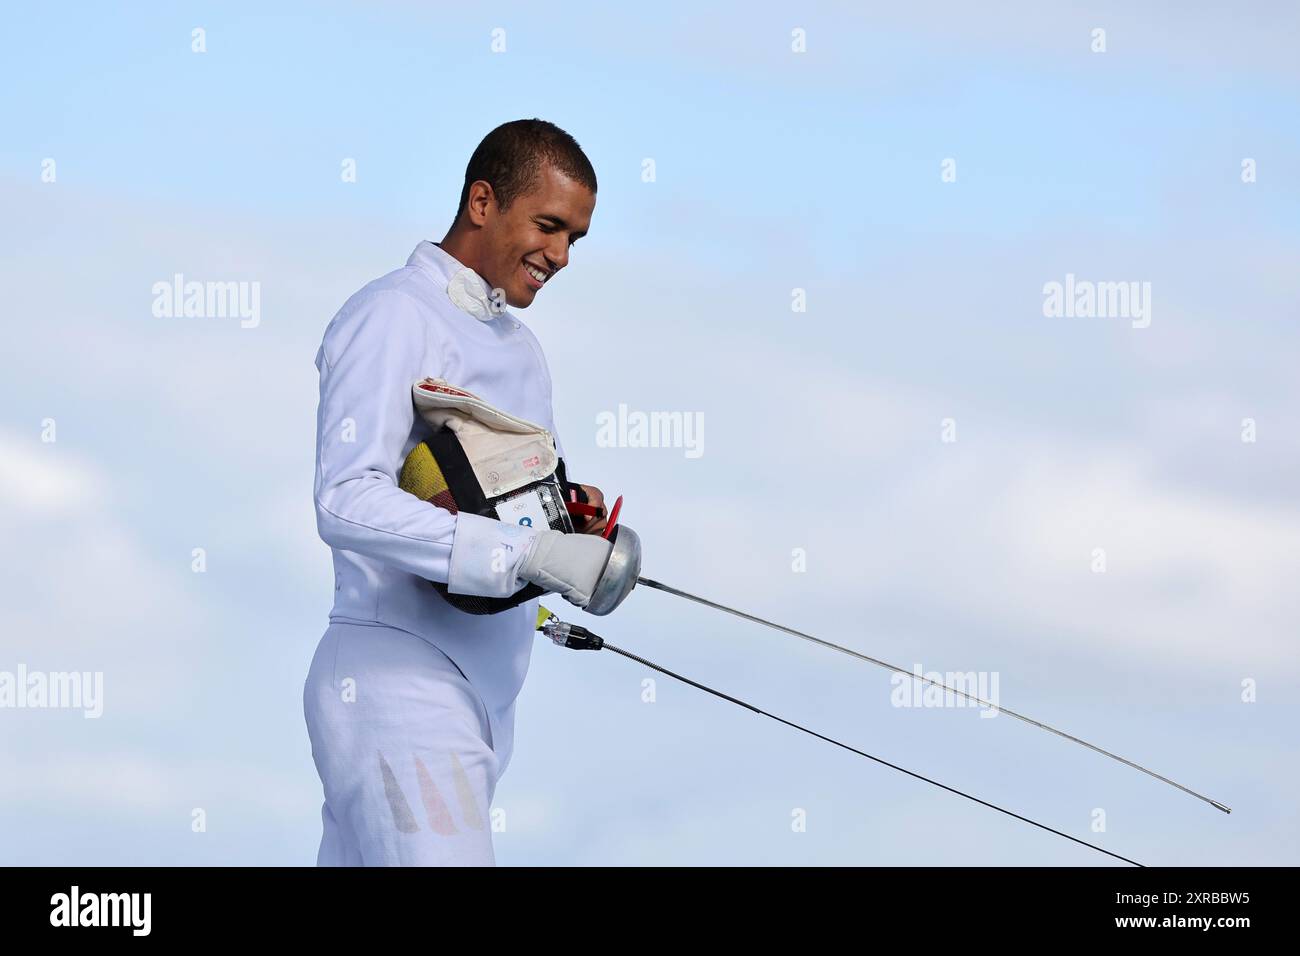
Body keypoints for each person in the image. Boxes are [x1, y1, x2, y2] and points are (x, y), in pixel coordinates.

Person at [304, 119, 609, 866]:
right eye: (548, 226)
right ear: (482, 202)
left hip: (484, 699)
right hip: (398, 683)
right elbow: (344, 496)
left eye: (575, 237)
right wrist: (517, 551)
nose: (561, 256)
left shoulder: (524, 352)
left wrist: (569, 527)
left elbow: (514, 510)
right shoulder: (392, 315)